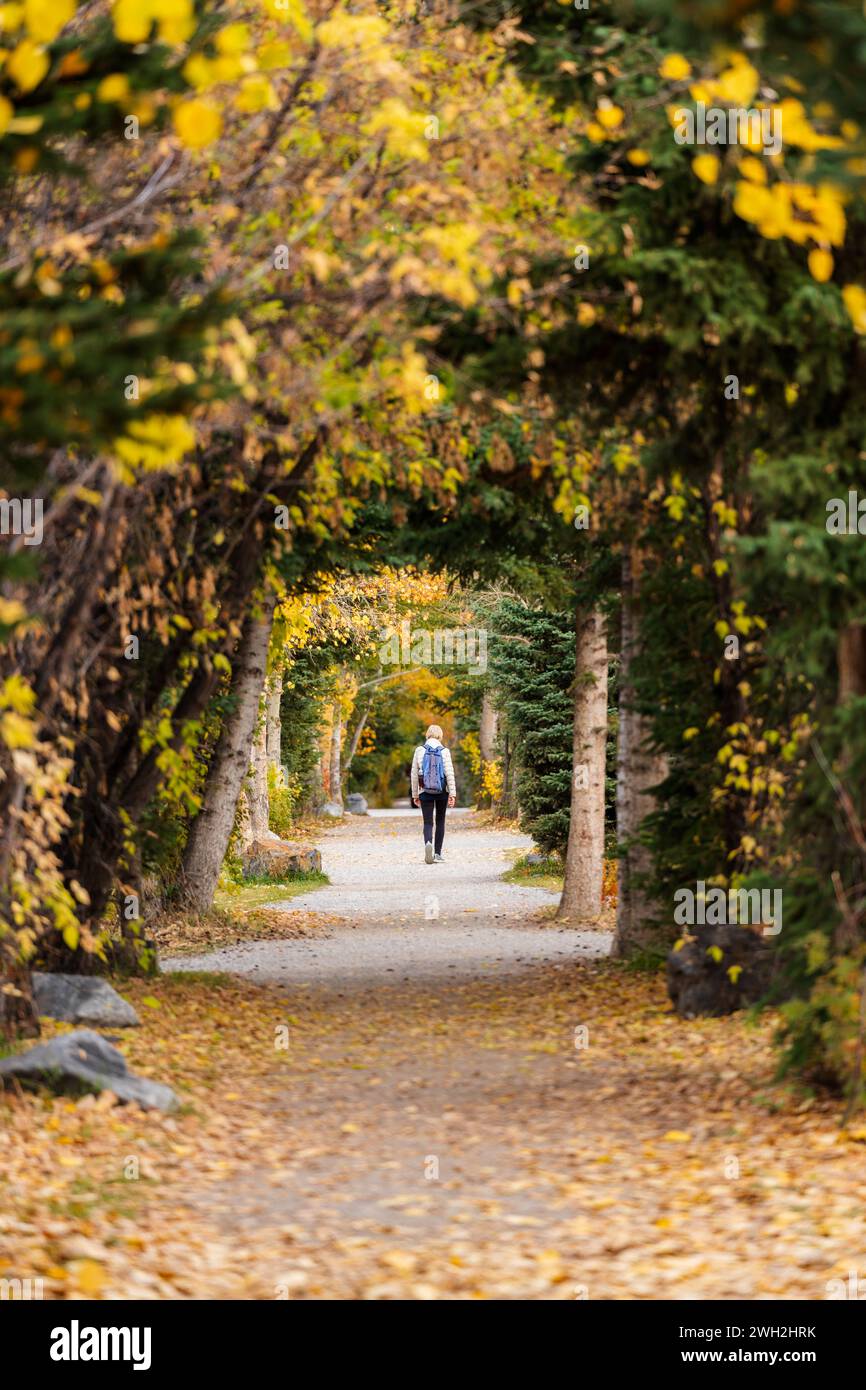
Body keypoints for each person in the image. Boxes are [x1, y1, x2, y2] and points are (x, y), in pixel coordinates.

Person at [411, 724, 456, 863]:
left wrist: (415, 794)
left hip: (425, 790)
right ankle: (437, 854)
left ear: (427, 734)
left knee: (428, 822)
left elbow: (414, 774)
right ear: (440, 736)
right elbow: (449, 773)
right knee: (440, 821)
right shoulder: (445, 751)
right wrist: (452, 794)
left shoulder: (419, 750)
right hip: (442, 791)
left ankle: (428, 844)